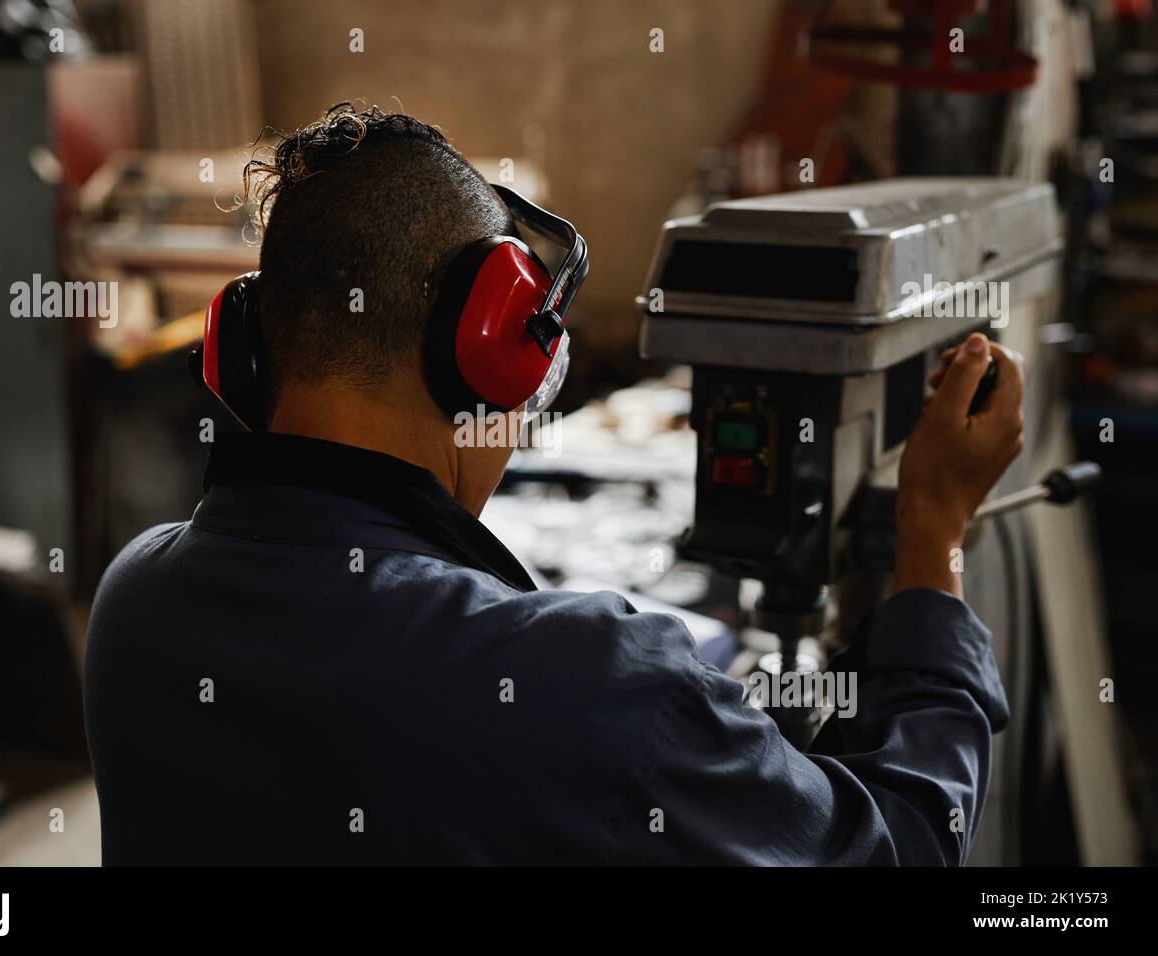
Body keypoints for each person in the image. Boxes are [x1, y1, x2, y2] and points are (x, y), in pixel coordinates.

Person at [84, 104, 1023, 865]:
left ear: (243, 354)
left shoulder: (134, 603)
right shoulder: (584, 685)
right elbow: (903, 848)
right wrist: (932, 533)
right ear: (489, 349)